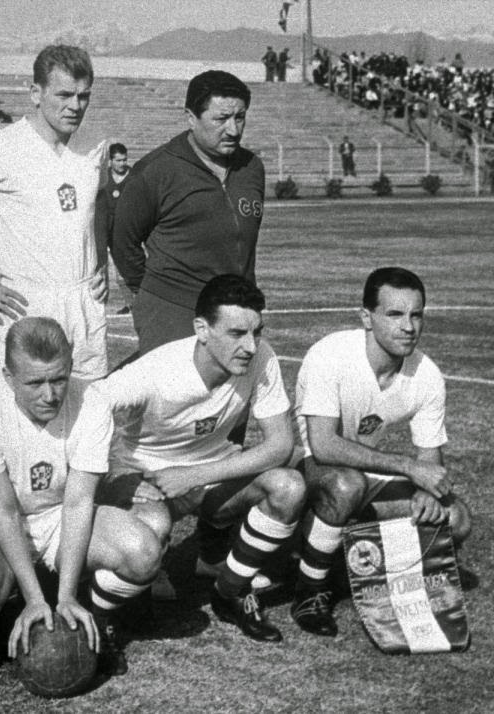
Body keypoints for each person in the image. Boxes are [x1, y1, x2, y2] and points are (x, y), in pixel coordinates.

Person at [0, 317, 160, 677]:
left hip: (60, 514)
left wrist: (66, 597)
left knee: (144, 553)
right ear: (8, 376)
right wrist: (33, 598)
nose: (50, 394)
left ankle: (93, 613)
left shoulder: (92, 402)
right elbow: (4, 511)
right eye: (35, 382)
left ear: (71, 367)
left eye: (59, 379)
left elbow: (78, 503)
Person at [94, 275, 304, 642]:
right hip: (143, 471)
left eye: (257, 332)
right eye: (237, 333)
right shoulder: (155, 372)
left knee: (288, 487)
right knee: (153, 527)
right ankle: (109, 611)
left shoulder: (261, 356)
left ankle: (231, 593)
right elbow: (88, 409)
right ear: (201, 329)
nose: (251, 346)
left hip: (206, 471)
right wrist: (120, 474)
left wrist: (194, 474)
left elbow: (279, 445)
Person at [289, 267, 472, 637]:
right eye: (394, 314)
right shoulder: (331, 354)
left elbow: (430, 458)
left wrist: (426, 491)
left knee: (455, 518)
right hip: (301, 469)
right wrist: (408, 468)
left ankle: (352, 569)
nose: (408, 327)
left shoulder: (427, 375)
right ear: (366, 318)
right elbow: (322, 444)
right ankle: (308, 592)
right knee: (345, 485)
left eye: (416, 314)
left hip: (356, 473)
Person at [0, 45, 109, 380]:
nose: (75, 106)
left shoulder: (96, 145)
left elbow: (102, 200)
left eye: (83, 96)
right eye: (64, 95)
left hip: (83, 298)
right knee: (20, 413)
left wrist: (102, 265)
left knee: (90, 407)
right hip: (25, 302)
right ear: (35, 93)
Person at [112, 70, 265, 356]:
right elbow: (123, 240)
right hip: (173, 315)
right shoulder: (156, 170)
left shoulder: (252, 168)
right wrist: (155, 292)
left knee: (233, 399)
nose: (233, 129)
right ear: (191, 118)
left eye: (240, 117)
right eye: (221, 119)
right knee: (175, 397)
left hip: (237, 313)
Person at [94, 142, 132, 314]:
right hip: (104, 226)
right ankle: (104, 301)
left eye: (124, 160)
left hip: (125, 229)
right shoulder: (104, 177)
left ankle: (133, 303)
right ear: (110, 161)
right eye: (118, 160)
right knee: (102, 267)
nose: (122, 164)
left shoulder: (134, 176)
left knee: (123, 269)